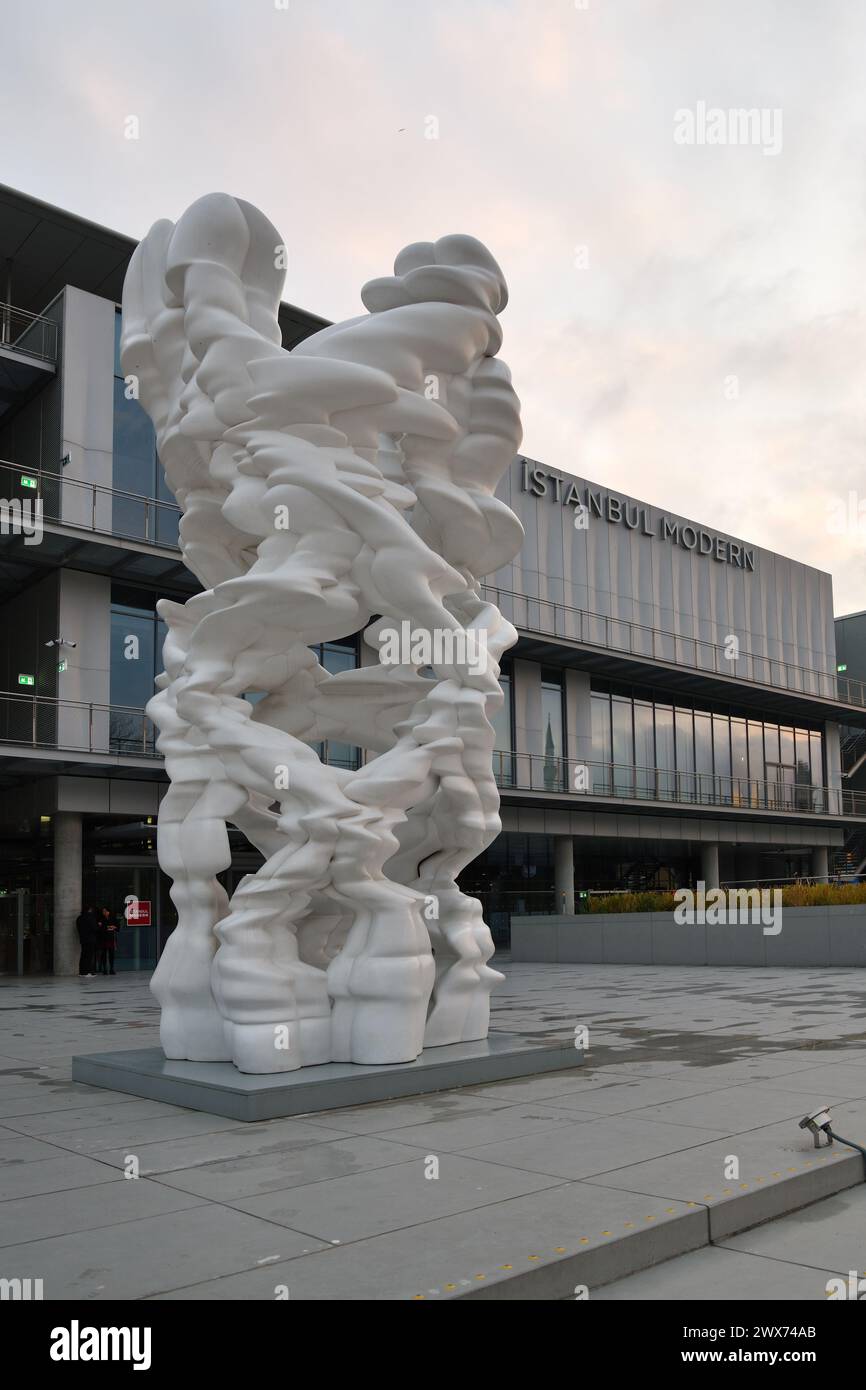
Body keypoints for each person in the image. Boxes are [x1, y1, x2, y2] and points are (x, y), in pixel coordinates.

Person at [96, 906, 120, 975]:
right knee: (103, 954)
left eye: (105, 911)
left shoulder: (113, 918)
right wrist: (108, 927)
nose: (104, 912)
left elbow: (118, 927)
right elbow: (99, 928)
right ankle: (104, 969)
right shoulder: (100, 919)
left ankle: (111, 968)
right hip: (104, 938)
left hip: (111, 938)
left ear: (109, 912)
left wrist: (114, 927)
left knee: (111, 954)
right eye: (103, 911)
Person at [76, 906, 98, 977]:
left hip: (83, 939)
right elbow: (95, 928)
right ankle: (89, 972)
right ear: (89, 910)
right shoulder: (91, 918)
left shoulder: (79, 918)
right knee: (90, 956)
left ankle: (82, 972)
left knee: (83, 955)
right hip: (90, 939)